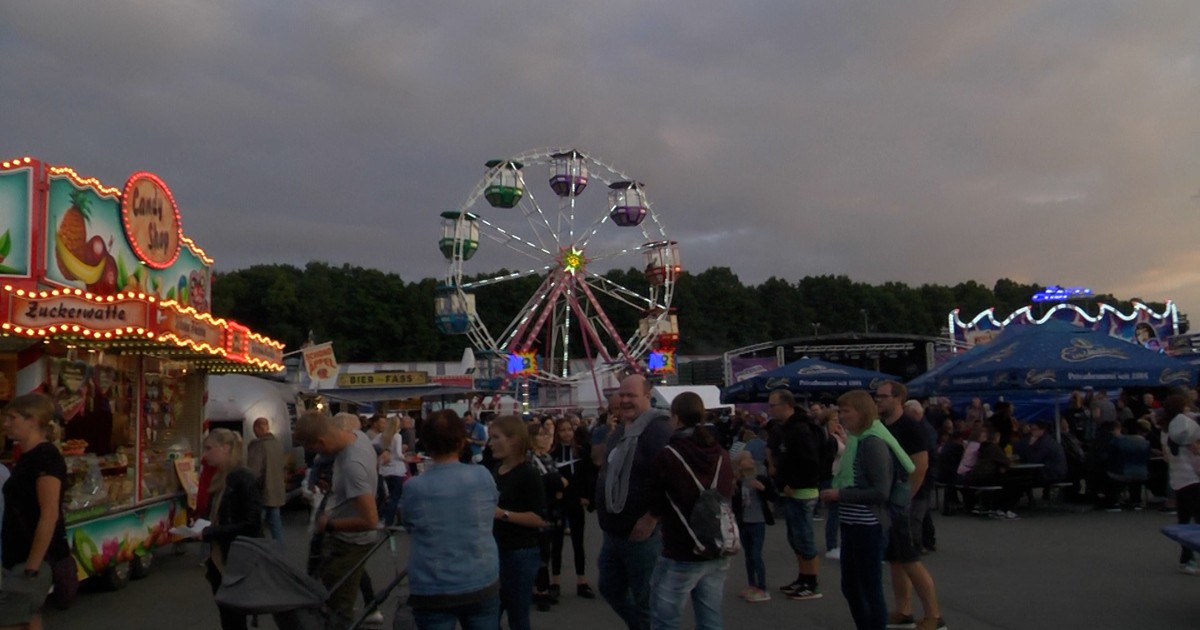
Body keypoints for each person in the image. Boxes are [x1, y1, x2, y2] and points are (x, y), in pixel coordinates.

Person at [400, 410, 501, 629]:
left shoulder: (415, 487)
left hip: (433, 584)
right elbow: (492, 507)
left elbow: (408, 522)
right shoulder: (482, 476)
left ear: (426, 443)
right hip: (480, 577)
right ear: (461, 442)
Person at [820, 389, 909, 630]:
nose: (841, 416)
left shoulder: (871, 444)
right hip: (852, 523)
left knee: (869, 587)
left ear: (861, 412)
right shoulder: (856, 441)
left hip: (868, 525)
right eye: (840, 411)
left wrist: (840, 494)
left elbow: (881, 491)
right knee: (851, 585)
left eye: (846, 411)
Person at [646, 391, 734, 629]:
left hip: (682, 546)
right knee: (710, 615)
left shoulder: (669, 455)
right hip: (717, 543)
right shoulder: (720, 454)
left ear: (676, 418)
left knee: (665, 618)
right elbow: (727, 492)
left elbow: (655, 499)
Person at [596, 374, 673, 630]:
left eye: (631, 395)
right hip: (613, 530)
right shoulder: (621, 429)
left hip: (641, 535)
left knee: (645, 599)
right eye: (622, 394)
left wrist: (652, 517)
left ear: (647, 397)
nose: (625, 400)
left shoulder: (657, 430)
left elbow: (670, 478)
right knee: (609, 587)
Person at [294, 410, 380, 629]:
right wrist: (336, 487)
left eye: (315, 449)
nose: (318, 456)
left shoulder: (352, 464)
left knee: (338, 609)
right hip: (346, 540)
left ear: (321, 442)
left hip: (349, 542)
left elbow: (370, 520)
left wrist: (329, 524)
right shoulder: (358, 437)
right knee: (334, 602)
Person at [874, 381, 946, 630]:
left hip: (908, 499)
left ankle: (934, 616)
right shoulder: (883, 426)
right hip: (892, 500)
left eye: (883, 396)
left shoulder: (910, 426)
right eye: (876, 396)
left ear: (898, 399)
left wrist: (905, 498)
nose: (877, 400)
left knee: (910, 558)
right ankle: (904, 610)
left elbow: (921, 465)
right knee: (896, 558)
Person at [0, 394, 70, 630]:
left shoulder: (44, 457)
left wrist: (32, 566)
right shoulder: (28, 457)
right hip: (20, 557)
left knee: (10, 620)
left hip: (32, 560)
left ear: (33, 420)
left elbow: (49, 514)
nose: (6, 423)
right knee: (30, 617)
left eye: (12, 418)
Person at [195, 428, 263, 630]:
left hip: (235, 558)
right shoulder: (221, 477)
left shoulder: (243, 478)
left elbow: (251, 522)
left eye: (209, 448)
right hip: (219, 558)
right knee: (227, 615)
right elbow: (217, 514)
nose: (205, 455)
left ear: (225, 448)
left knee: (233, 616)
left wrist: (211, 532)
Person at [489, 416, 547, 630]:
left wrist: (502, 514)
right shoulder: (496, 471)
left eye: (496, 438)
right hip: (495, 550)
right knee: (490, 614)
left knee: (517, 615)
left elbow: (540, 518)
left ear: (513, 440)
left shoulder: (528, 474)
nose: (491, 443)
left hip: (520, 552)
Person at [767, 388, 824, 601]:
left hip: (802, 491)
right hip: (792, 490)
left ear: (786, 405)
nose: (770, 409)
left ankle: (811, 582)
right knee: (795, 538)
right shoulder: (787, 428)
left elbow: (810, 461)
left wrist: (793, 483)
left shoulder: (800, 429)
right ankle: (803, 577)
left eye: (773, 405)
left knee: (804, 537)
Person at [551, 416, 597, 599]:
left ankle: (581, 581)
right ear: (557, 432)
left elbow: (588, 476)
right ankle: (555, 581)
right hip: (558, 502)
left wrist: (587, 497)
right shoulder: (552, 453)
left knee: (578, 542)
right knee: (557, 543)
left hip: (575, 501)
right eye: (562, 430)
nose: (566, 433)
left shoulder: (581, 452)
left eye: (569, 430)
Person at [1161, 394, 1200, 574]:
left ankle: (1186, 559)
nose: (1188, 409)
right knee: (1197, 519)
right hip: (1193, 477)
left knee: (1183, 520)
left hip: (1177, 479)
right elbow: (1196, 451)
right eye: (1185, 406)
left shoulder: (1165, 429)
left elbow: (1167, 456)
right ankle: (1189, 558)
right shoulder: (1185, 428)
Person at [731, 450, 776, 603]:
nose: (751, 461)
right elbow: (734, 503)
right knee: (748, 555)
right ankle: (752, 585)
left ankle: (762, 587)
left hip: (758, 521)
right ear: (740, 464)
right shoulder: (738, 482)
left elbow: (773, 496)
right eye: (747, 459)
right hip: (743, 522)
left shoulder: (761, 478)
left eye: (751, 458)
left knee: (756, 555)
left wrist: (762, 488)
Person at [246, 417, 286, 542]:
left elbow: (254, 471)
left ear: (258, 428)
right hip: (276, 490)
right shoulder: (277, 444)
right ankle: (279, 549)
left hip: (261, 491)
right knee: (276, 524)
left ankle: (256, 548)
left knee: (256, 524)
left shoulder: (259, 446)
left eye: (254, 429)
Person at [375, 416, 408, 528]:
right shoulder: (397, 436)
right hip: (397, 469)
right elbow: (398, 453)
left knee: (385, 495)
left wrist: (382, 453)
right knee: (395, 496)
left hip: (384, 469)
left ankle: (382, 517)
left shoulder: (381, 436)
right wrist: (405, 458)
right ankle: (389, 520)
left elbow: (371, 444)